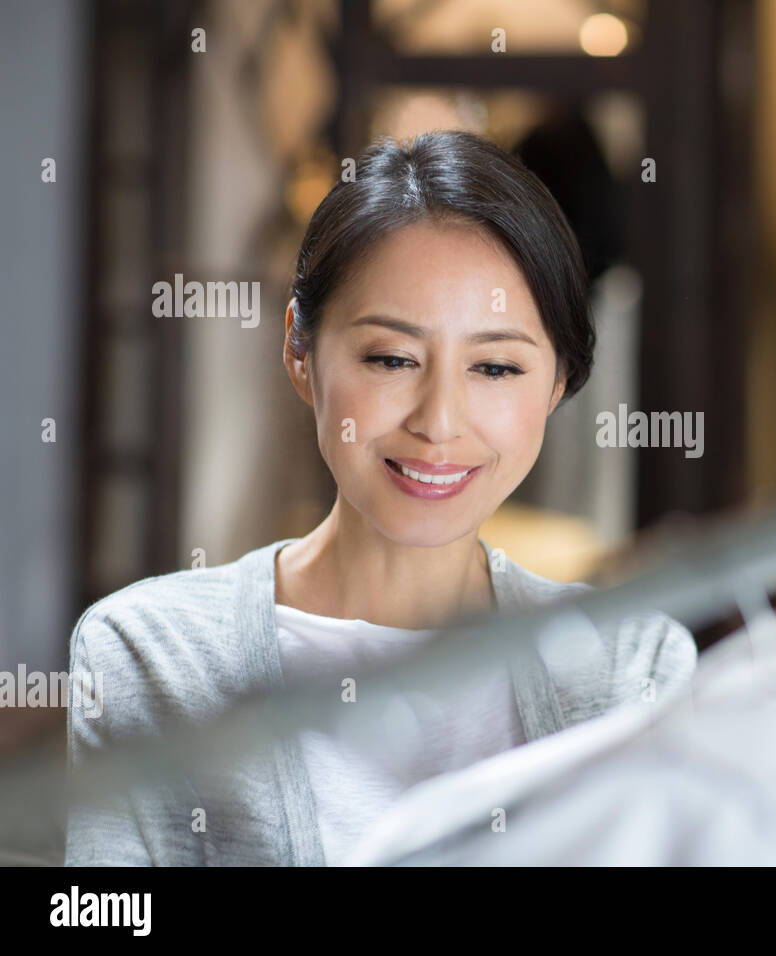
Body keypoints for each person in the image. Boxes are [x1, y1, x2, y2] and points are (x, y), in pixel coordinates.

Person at [64, 130, 697, 866]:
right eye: (392, 358)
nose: (438, 422)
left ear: (558, 383)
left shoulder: (631, 668)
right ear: (300, 354)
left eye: (494, 367)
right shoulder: (154, 657)